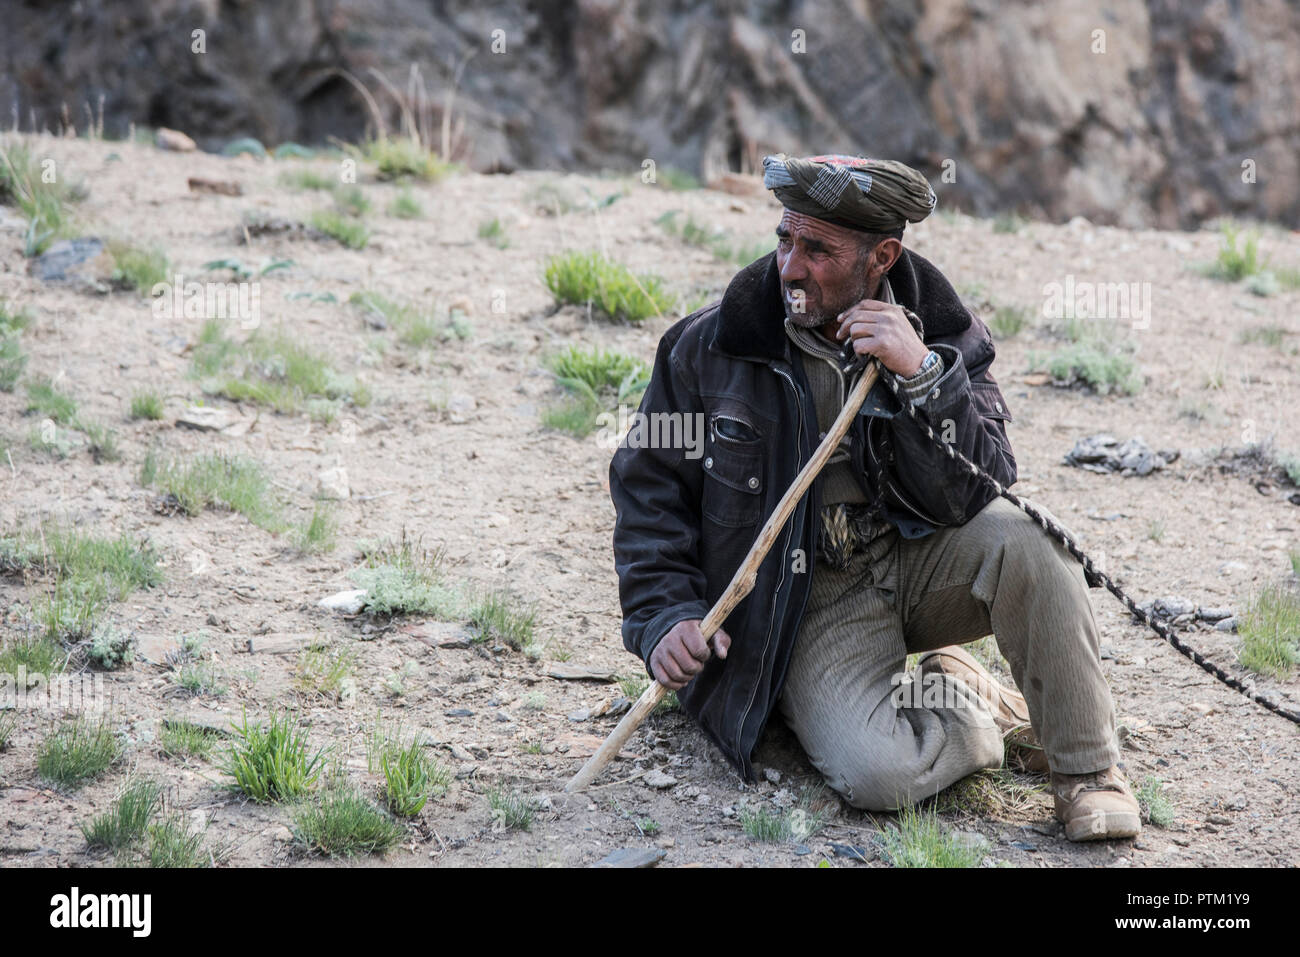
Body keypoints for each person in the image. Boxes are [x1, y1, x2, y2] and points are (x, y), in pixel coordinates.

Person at [608, 152, 1141, 841]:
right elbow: (648, 490)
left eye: (817, 251)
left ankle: (1088, 773)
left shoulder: (941, 329)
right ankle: (972, 701)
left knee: (1033, 545)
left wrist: (923, 374)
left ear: (881, 256)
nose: (790, 267)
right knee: (880, 775)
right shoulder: (712, 346)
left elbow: (983, 485)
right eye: (785, 240)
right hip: (806, 595)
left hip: (915, 557)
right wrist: (664, 616)